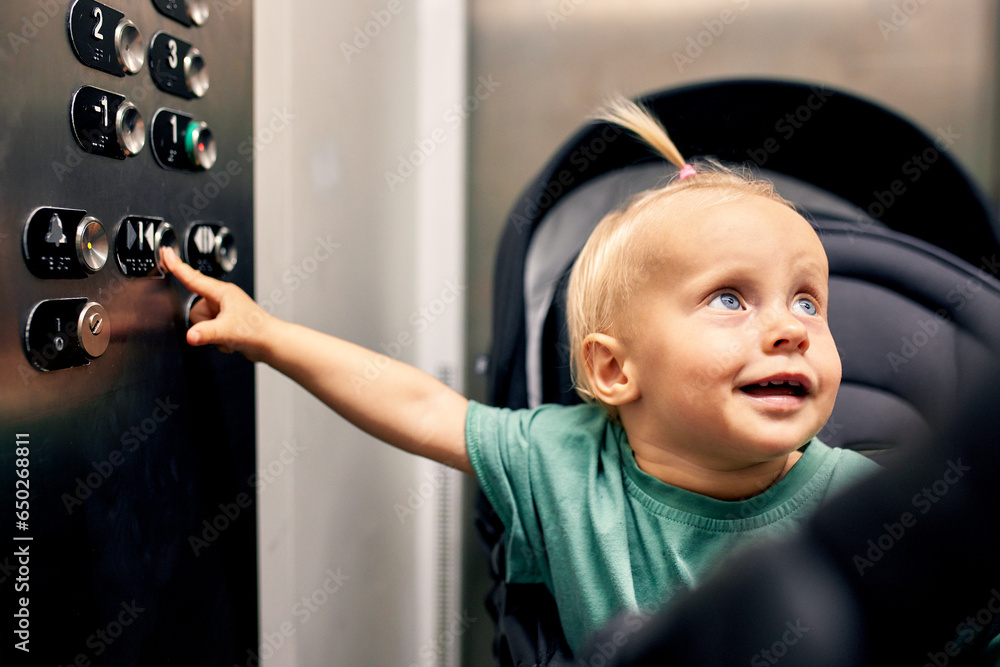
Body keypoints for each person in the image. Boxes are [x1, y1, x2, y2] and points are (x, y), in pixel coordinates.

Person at [159, 97, 880, 656]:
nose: (792, 328)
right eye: (730, 298)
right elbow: (419, 403)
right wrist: (269, 335)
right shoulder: (561, 461)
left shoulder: (865, 503)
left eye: (808, 300)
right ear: (613, 367)